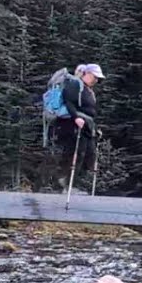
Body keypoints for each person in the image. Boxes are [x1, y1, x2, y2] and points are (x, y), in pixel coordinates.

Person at [53, 63, 104, 193]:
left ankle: (73, 184)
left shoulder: (88, 90)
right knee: (77, 154)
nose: (96, 80)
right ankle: (66, 184)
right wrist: (76, 117)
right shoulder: (75, 84)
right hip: (74, 125)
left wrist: (95, 128)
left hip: (87, 125)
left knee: (90, 155)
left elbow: (90, 111)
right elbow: (68, 102)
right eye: (95, 76)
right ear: (87, 74)